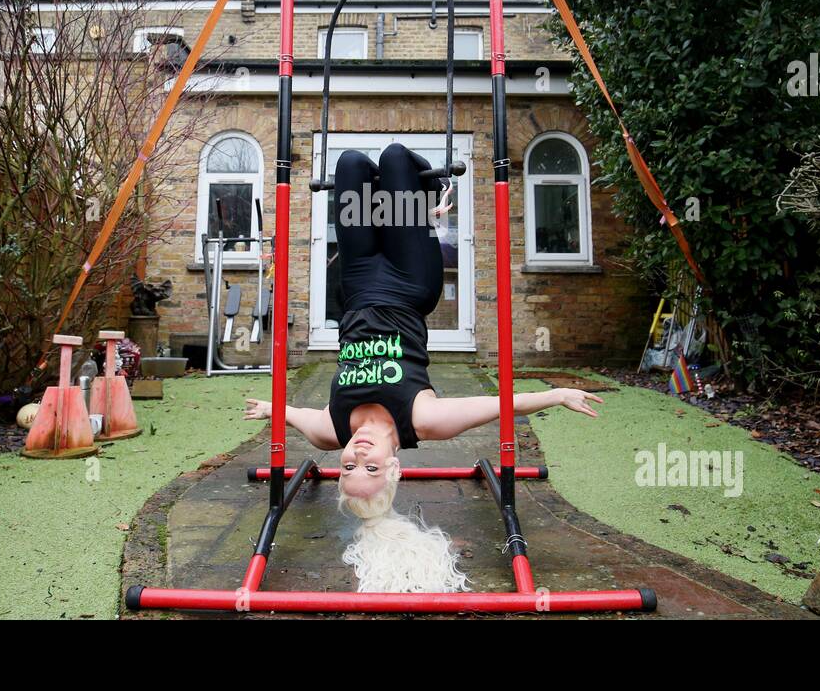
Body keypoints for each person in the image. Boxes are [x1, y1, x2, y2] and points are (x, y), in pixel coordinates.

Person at [243, 143, 603, 592]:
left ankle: (408, 204)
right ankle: (432, 191)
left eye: (348, 469)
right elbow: (498, 404)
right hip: (409, 283)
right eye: (370, 469)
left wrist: (268, 410)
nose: (355, 457)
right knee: (395, 157)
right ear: (393, 468)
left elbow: (289, 414)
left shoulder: (330, 431)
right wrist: (557, 395)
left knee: (350, 164)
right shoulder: (422, 420)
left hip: (355, 286)